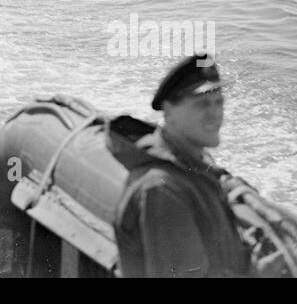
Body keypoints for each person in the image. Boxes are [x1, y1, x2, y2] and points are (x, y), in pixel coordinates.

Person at [106, 55, 253, 278]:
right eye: (202, 104)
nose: (215, 114)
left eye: (219, 102)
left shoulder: (194, 169)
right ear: (169, 111)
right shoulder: (163, 189)